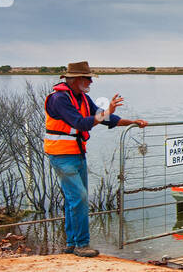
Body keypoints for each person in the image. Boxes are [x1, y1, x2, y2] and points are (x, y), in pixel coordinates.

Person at [44, 61, 148, 257]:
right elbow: (81, 123)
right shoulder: (59, 99)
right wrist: (107, 112)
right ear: (75, 79)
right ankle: (82, 245)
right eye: (87, 78)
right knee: (80, 198)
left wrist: (132, 122)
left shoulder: (82, 97)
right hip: (61, 155)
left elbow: (103, 118)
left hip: (77, 153)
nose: (91, 81)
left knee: (73, 200)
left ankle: (71, 244)